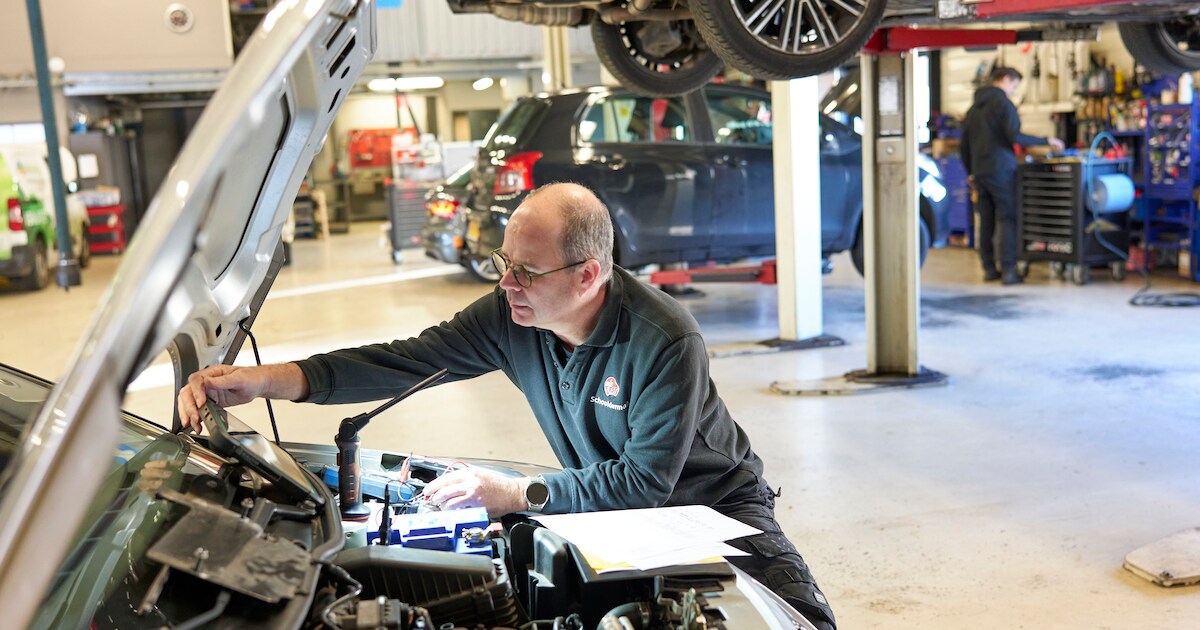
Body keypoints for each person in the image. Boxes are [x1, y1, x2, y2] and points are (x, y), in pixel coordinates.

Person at [177, 182, 836, 630]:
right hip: (605, 515)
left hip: (711, 510)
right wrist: (262, 381)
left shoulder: (665, 340)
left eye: (527, 271)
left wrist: (516, 491)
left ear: (588, 275)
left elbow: (643, 483)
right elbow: (402, 358)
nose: (507, 284)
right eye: (503, 263)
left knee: (802, 621)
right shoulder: (510, 316)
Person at [960, 66, 1065, 285]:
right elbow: (1015, 136)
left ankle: (989, 268)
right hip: (1001, 170)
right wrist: (1047, 141)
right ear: (1005, 79)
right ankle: (1008, 270)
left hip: (980, 171)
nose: (1014, 91)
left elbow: (964, 146)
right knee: (1007, 218)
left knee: (986, 220)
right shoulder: (1003, 104)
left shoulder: (973, 109)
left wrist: (971, 171)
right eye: (1014, 86)